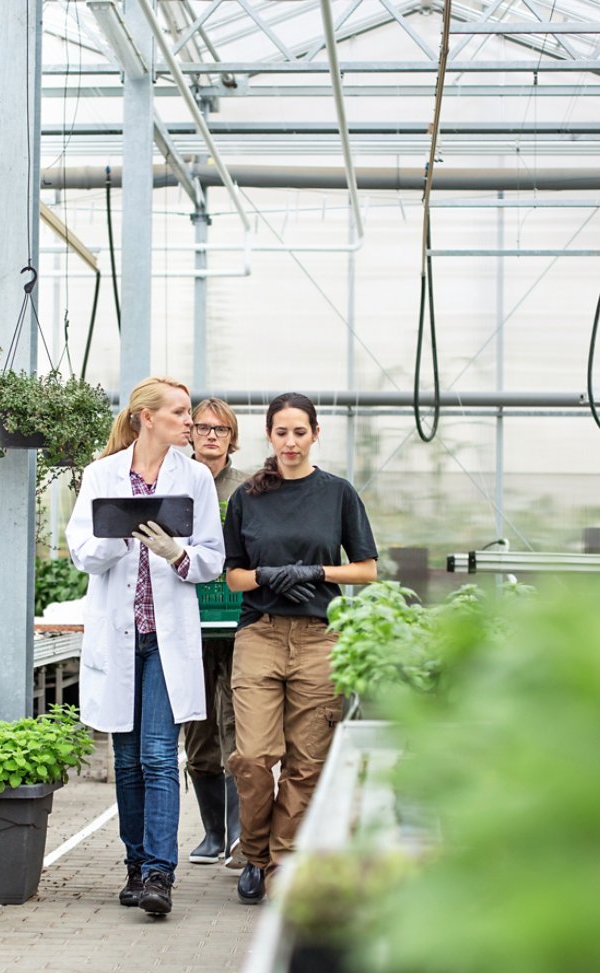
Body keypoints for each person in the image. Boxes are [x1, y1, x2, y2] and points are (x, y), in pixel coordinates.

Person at [66, 376, 224, 918]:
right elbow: (82, 551)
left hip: (167, 638)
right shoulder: (101, 474)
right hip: (119, 635)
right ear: (146, 418)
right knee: (127, 760)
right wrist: (123, 533)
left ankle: (160, 871)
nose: (191, 423)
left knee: (159, 755)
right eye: (181, 413)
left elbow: (212, 559)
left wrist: (175, 552)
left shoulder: (196, 478)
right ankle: (135, 867)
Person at [223, 393, 379, 904]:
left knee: (306, 762)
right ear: (269, 436)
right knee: (251, 756)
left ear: (315, 434)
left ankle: (279, 866)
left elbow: (367, 569)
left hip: (319, 638)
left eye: (299, 432)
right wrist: (267, 575)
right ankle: (254, 851)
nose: (290, 442)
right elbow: (234, 576)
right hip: (261, 634)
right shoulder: (248, 496)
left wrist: (315, 571)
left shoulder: (338, 494)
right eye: (281, 432)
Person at [182, 397, 248, 866]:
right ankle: (211, 831)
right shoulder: (176, 481)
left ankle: (238, 833)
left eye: (220, 430)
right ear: (190, 433)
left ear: (231, 438)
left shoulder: (249, 489)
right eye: (202, 427)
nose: (210, 435)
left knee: (237, 724)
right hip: (189, 622)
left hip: (239, 621)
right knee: (199, 728)